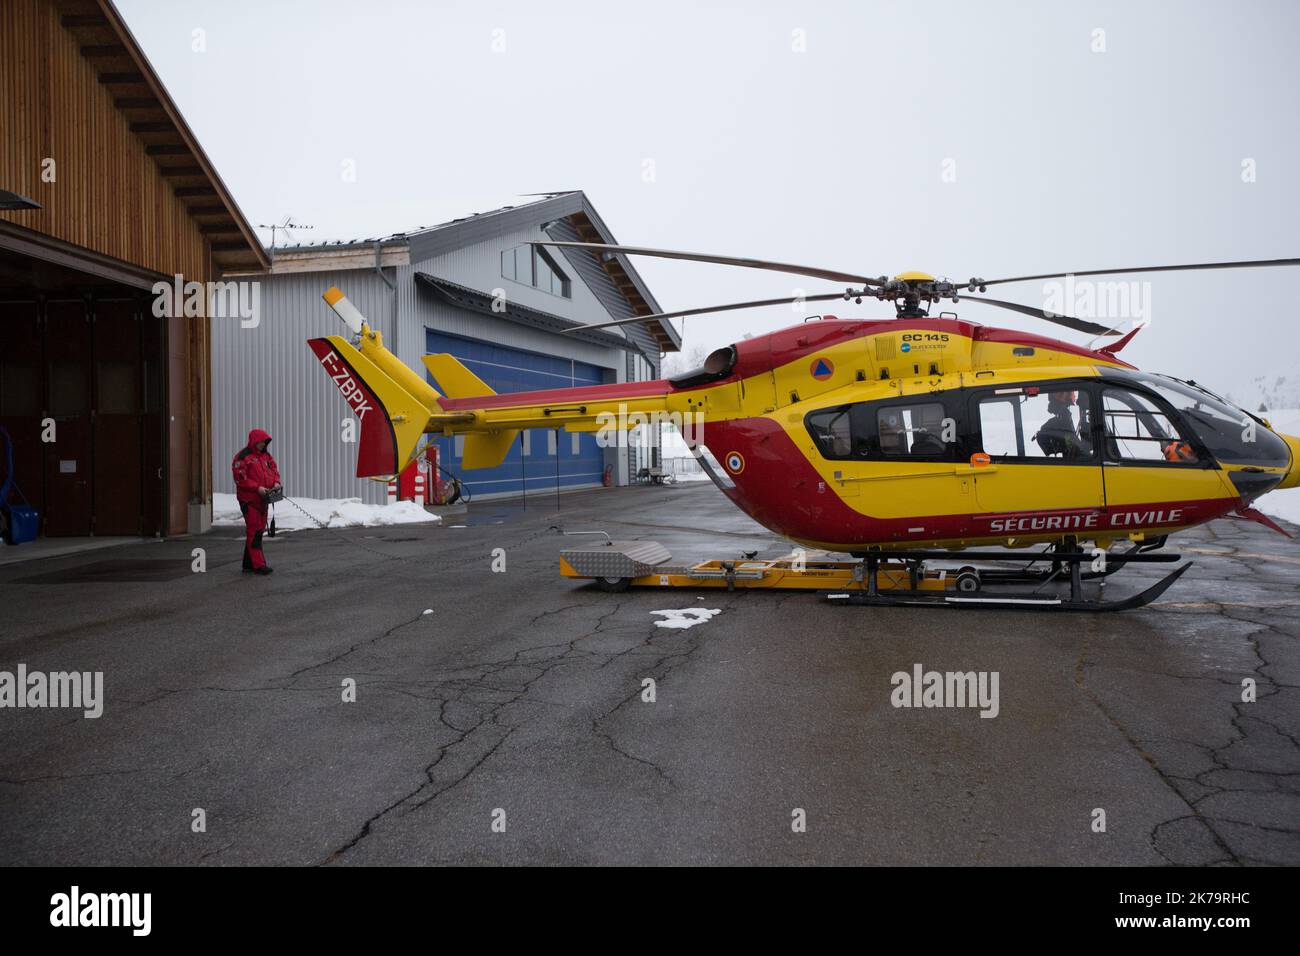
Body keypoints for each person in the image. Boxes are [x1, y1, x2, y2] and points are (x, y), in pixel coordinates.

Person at [232, 428, 281, 575]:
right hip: (249, 500)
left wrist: (276, 483)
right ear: (255, 441)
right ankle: (259, 564)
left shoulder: (266, 456)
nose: (263, 444)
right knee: (255, 530)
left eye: (265, 442)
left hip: (264, 498)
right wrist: (257, 488)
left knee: (259, 529)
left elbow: (274, 471)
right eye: (261, 442)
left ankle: (248, 563)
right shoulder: (242, 457)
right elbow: (240, 479)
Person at [1035, 390, 1092, 459]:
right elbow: (1069, 442)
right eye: (1072, 392)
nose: (1074, 395)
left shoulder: (1062, 417)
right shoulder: (1064, 417)